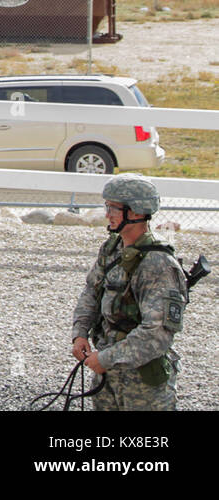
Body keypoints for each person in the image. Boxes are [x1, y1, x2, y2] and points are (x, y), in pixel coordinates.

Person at [71, 176, 189, 410]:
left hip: (143, 384)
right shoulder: (112, 248)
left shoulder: (159, 264)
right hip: (107, 375)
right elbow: (92, 291)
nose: (108, 214)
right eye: (107, 207)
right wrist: (80, 332)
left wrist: (105, 359)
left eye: (114, 208)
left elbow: (157, 334)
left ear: (136, 211)